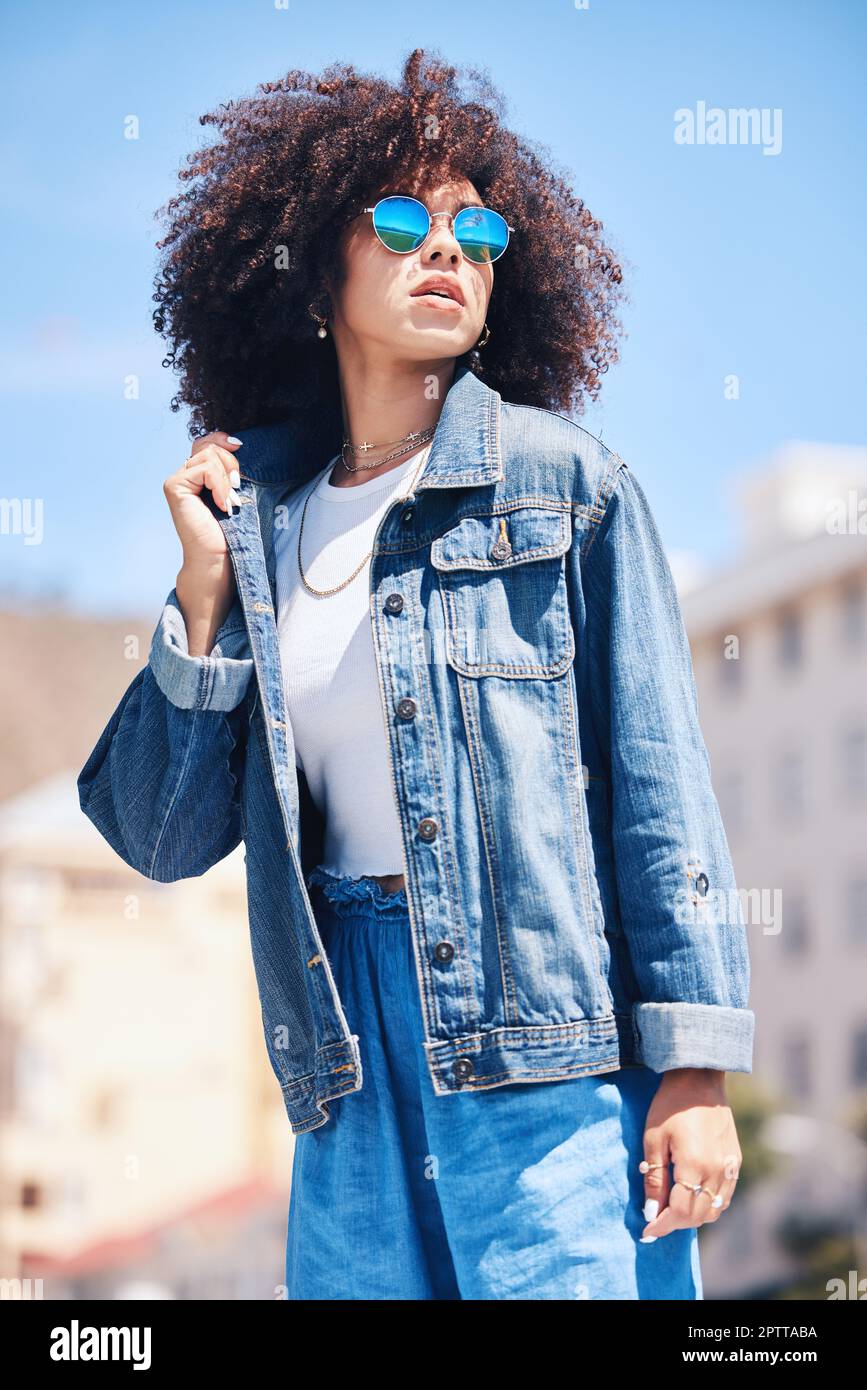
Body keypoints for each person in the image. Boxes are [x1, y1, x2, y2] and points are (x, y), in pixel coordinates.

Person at [78, 49, 754, 1300]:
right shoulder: (261, 525)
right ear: (314, 274)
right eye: (401, 221)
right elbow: (159, 837)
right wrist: (204, 591)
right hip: (340, 1073)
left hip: (541, 1048)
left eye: (477, 231)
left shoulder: (570, 486)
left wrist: (697, 1066)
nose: (447, 248)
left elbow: (662, 790)